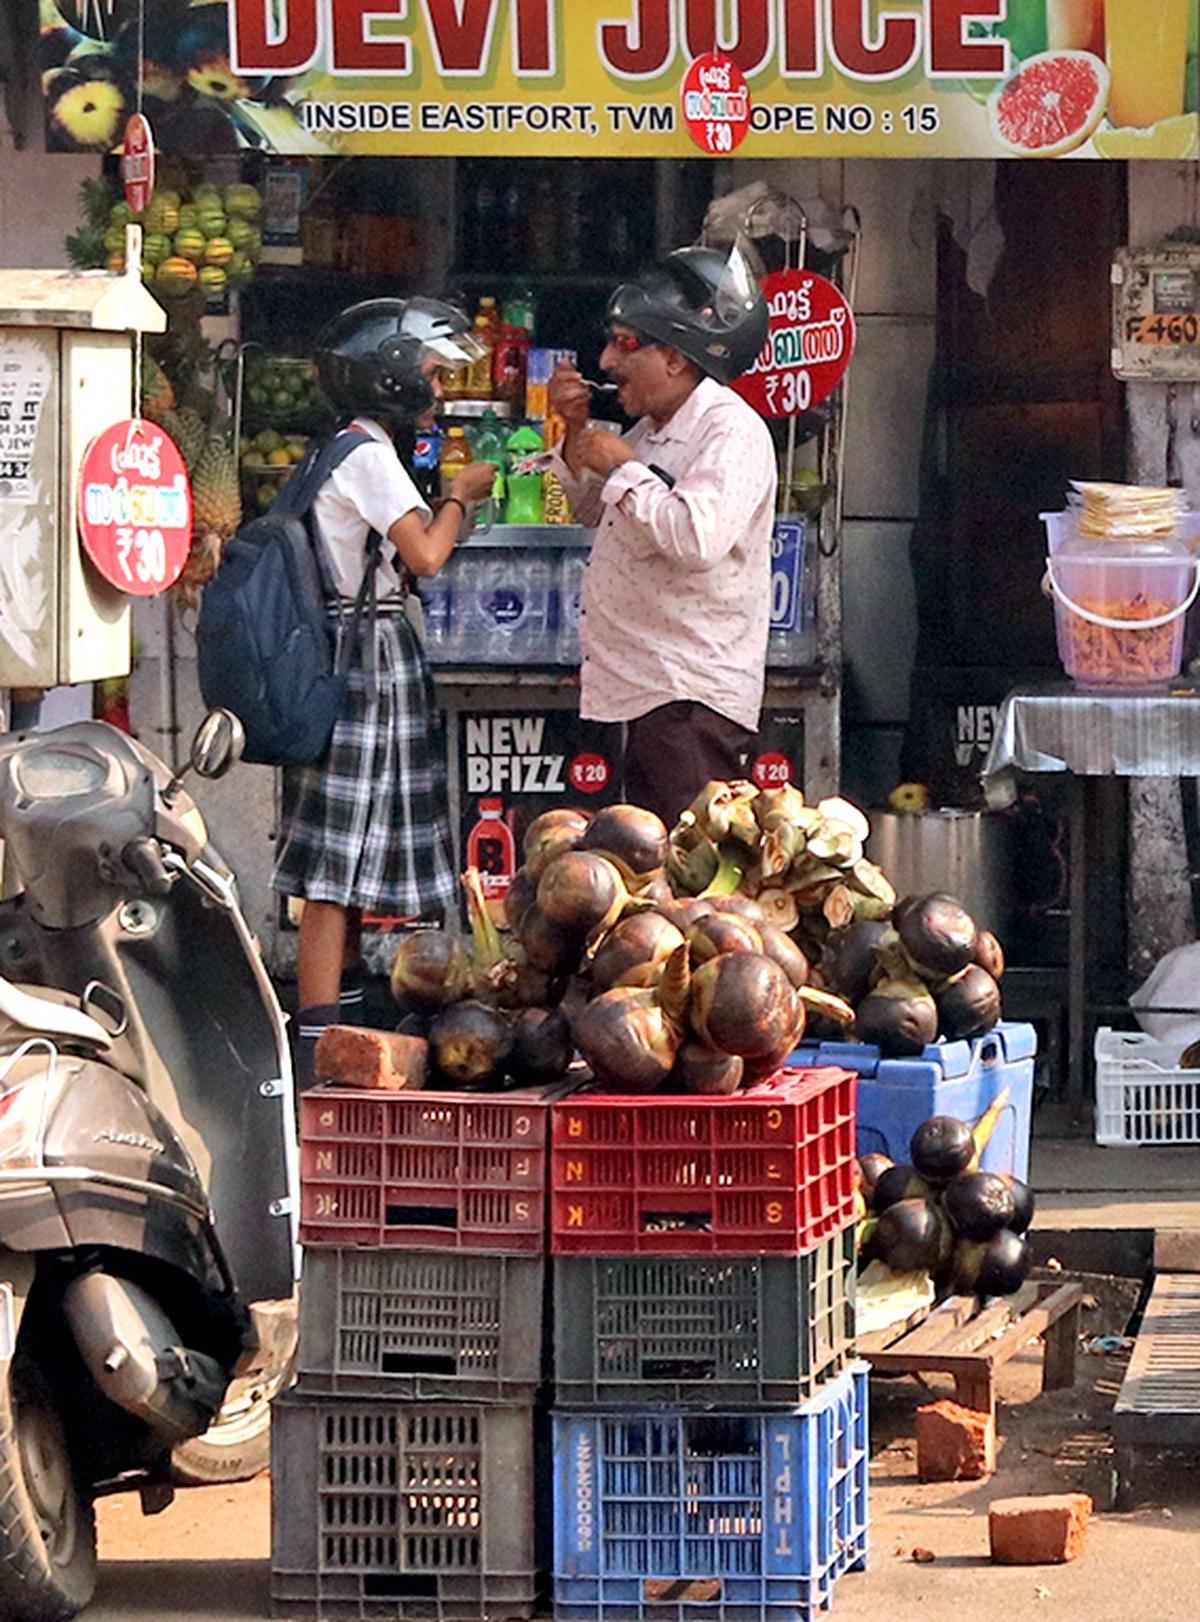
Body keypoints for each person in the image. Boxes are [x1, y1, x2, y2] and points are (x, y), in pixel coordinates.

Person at [273, 298, 496, 1083]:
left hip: (348, 652)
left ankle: (340, 1028)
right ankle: (320, 1040)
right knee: (338, 866)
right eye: (430, 372)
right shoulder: (368, 455)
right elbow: (427, 554)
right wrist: (461, 495)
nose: (437, 388)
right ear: (391, 376)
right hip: (367, 658)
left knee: (348, 852)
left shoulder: (336, 449)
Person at [546, 244, 776, 828]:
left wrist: (625, 469)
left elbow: (697, 538)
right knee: (640, 863)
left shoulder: (730, 430)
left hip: (687, 697)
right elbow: (594, 513)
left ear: (674, 358)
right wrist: (575, 434)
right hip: (644, 690)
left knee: (688, 860)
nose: (606, 361)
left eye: (624, 344)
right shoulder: (651, 431)